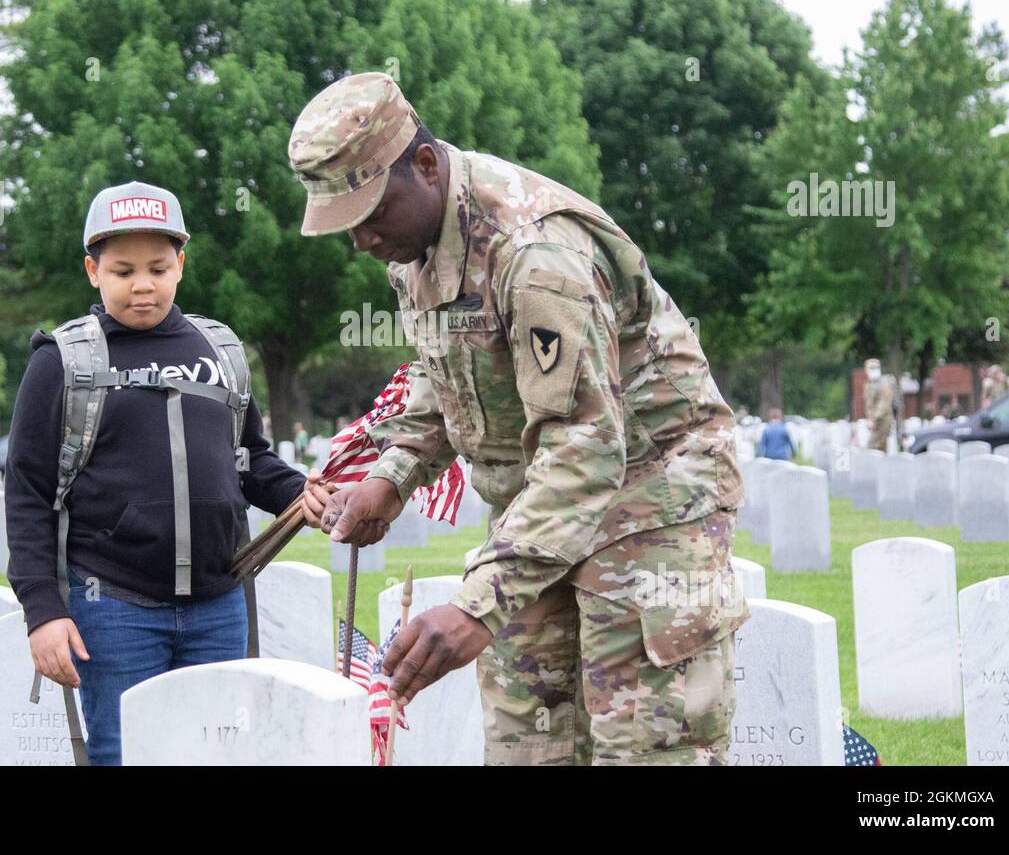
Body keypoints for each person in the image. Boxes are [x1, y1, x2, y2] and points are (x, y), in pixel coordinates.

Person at [289, 72, 748, 765]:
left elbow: (587, 447)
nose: (362, 242)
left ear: (424, 164)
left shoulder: (535, 255)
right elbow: (445, 375)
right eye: (347, 225)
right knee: (529, 745)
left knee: (644, 745)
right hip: (543, 507)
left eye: (371, 214)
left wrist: (477, 605)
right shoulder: (415, 247)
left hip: (651, 499)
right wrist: (391, 476)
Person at [4, 180, 333, 765]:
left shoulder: (219, 350)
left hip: (218, 603)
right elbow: (28, 493)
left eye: (158, 267)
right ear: (92, 271)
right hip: (112, 606)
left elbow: (249, 458)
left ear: (180, 264)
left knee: (219, 756)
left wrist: (300, 493)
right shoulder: (62, 362)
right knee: (126, 755)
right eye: (123, 269)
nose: (142, 285)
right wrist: (43, 612)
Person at [862, 358, 895, 452]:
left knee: (871, 447)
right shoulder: (868, 385)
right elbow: (869, 405)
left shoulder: (885, 383)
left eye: (876, 368)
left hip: (883, 421)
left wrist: (873, 419)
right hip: (875, 422)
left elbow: (883, 404)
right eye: (871, 368)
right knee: (880, 449)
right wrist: (870, 419)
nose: (874, 370)